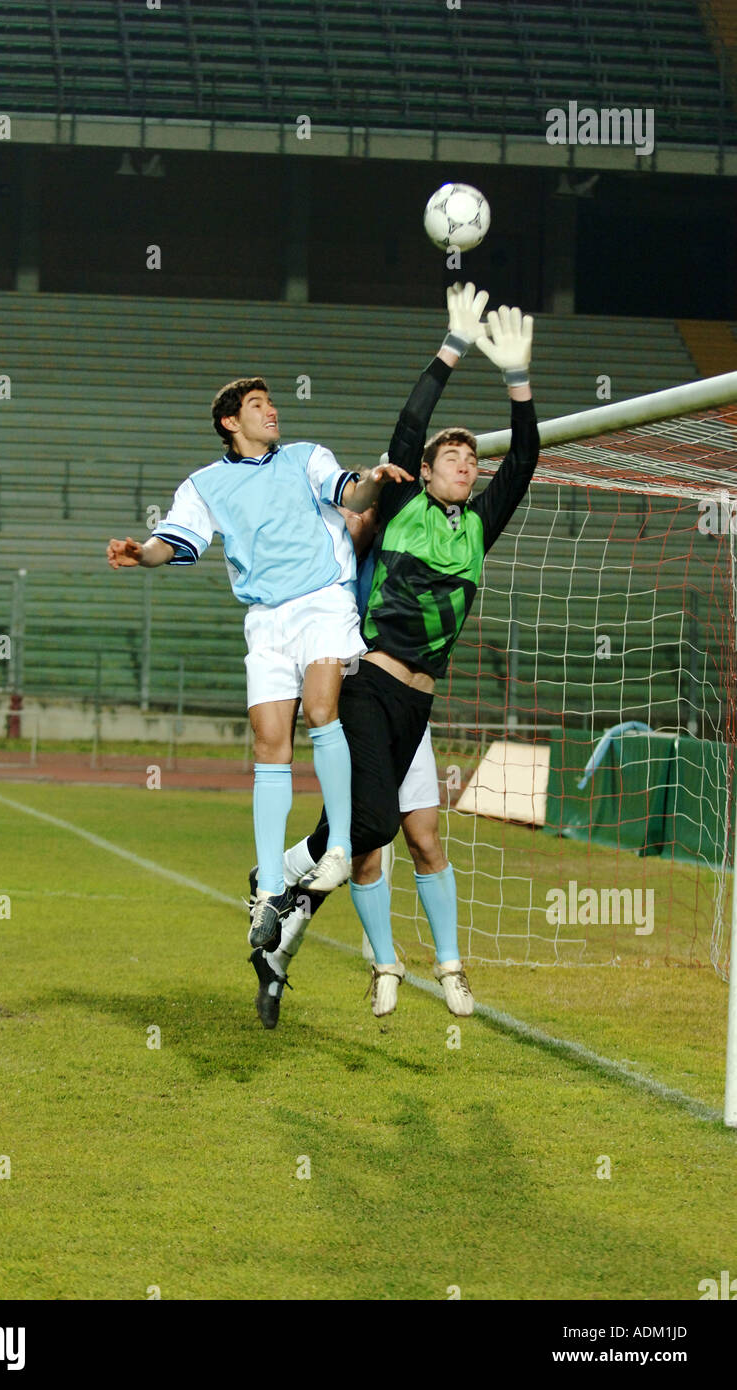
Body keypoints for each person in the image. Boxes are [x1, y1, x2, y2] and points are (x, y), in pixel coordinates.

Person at [250, 283, 539, 1022]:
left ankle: (287, 879)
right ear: (428, 470)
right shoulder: (403, 503)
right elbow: (409, 428)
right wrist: (451, 347)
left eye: (472, 459)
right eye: (453, 456)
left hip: (418, 701)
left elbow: (526, 457)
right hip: (369, 685)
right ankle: (289, 886)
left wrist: (517, 379)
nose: (466, 464)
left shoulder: (478, 526)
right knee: (374, 827)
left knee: (381, 827)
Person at [107, 376, 412, 951]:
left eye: (270, 402)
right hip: (266, 620)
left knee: (322, 708)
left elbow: (350, 493)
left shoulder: (305, 457)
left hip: (323, 601)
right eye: (257, 405)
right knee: (269, 744)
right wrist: (140, 554)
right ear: (230, 422)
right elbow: (171, 541)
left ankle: (340, 849)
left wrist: (373, 482)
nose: (272, 411)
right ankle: (270, 889)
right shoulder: (204, 485)